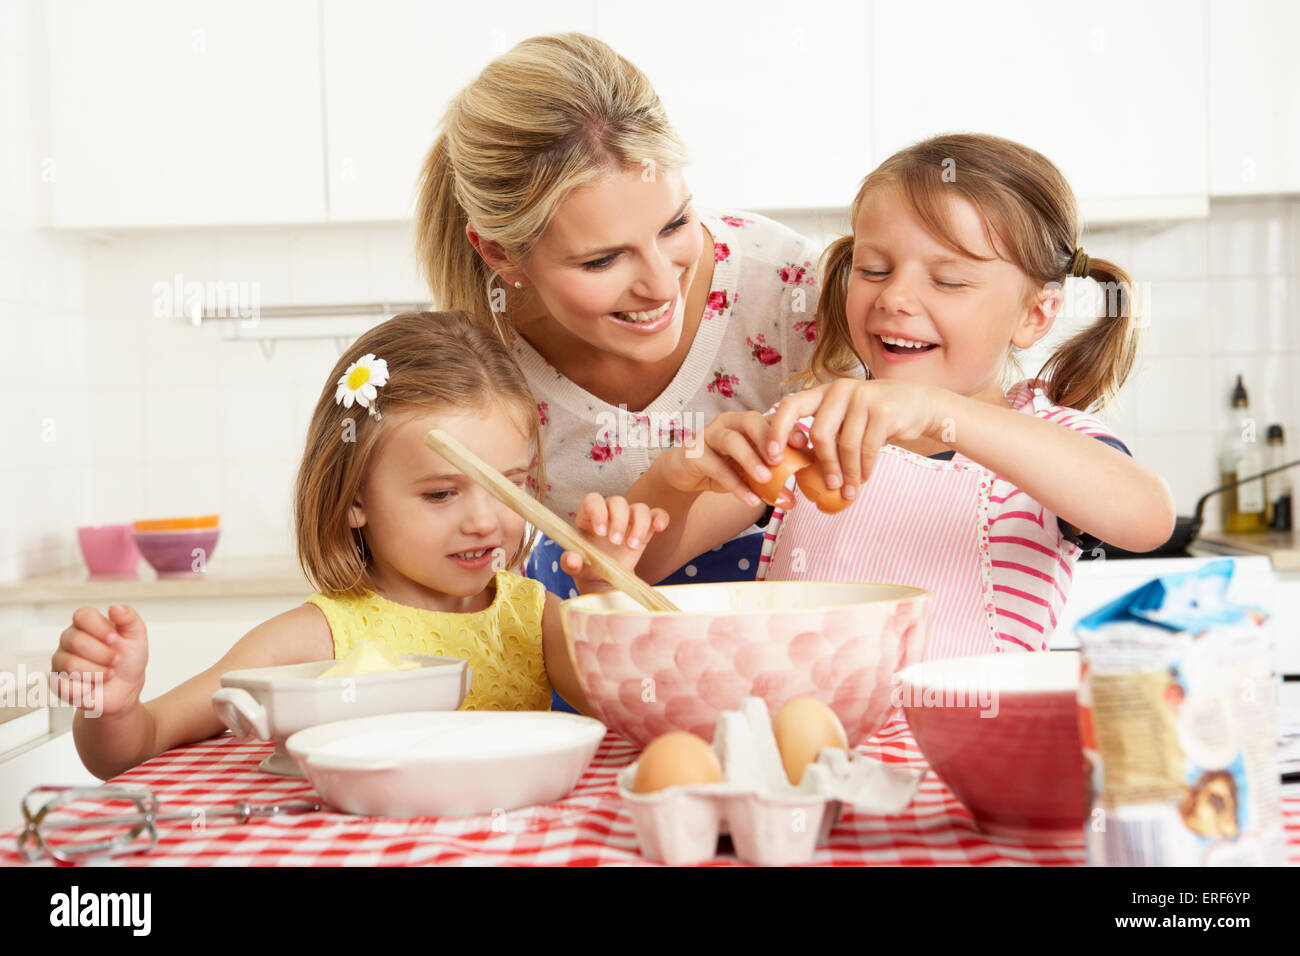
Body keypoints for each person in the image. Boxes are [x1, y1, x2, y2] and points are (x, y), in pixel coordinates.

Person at [596, 133, 1176, 659]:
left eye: (947, 281)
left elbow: (1148, 519)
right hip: (807, 750)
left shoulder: (1048, 446)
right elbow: (640, 568)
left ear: (1035, 314)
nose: (895, 297)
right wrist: (680, 476)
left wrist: (942, 414)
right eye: (874, 269)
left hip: (960, 754)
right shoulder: (809, 431)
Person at [52, 311, 663, 779]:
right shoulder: (313, 639)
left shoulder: (532, 618)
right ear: (354, 499)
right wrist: (113, 707)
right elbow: (135, 747)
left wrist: (604, 594)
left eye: (511, 488)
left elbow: (639, 713)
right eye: (441, 494)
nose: (484, 521)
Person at [413, 34, 835, 712]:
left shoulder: (783, 289)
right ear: (500, 253)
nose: (662, 283)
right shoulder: (481, 370)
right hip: (584, 703)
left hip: (794, 690)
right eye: (602, 261)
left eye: (674, 225)